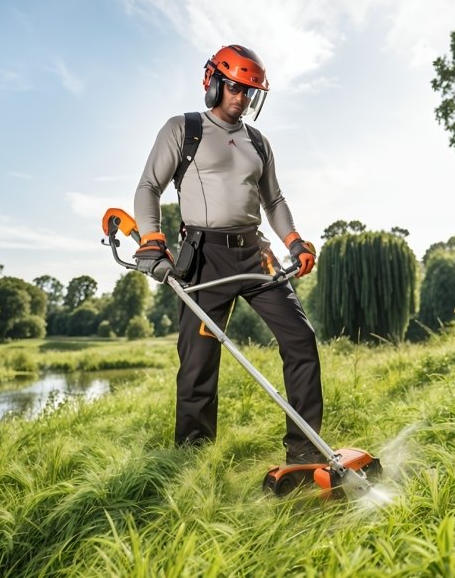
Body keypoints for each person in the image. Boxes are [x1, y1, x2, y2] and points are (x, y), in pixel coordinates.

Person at [133, 44, 324, 465]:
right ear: (214, 82)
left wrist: (294, 240)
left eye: (250, 92)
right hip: (204, 259)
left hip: (257, 255)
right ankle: (192, 460)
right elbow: (149, 187)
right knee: (198, 363)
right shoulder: (183, 129)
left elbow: (273, 201)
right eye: (235, 88)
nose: (242, 99)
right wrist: (151, 238)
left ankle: (305, 450)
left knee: (300, 339)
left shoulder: (258, 140)